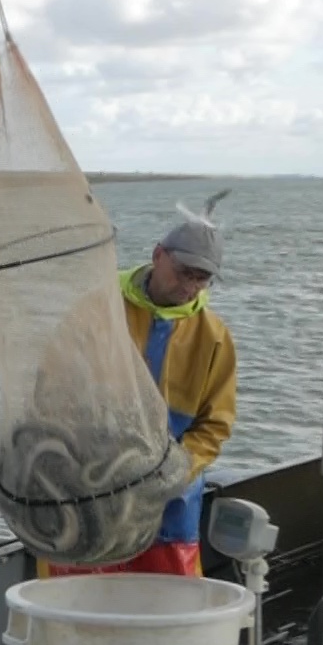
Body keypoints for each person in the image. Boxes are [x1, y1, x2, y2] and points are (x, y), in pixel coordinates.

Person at [39, 213, 238, 578]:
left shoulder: (214, 338)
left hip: (170, 506)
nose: (189, 286)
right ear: (158, 254)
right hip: (88, 493)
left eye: (202, 278)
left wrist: (177, 471)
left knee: (169, 609)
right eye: (183, 271)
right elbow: (53, 390)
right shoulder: (97, 310)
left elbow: (215, 424)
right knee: (77, 600)